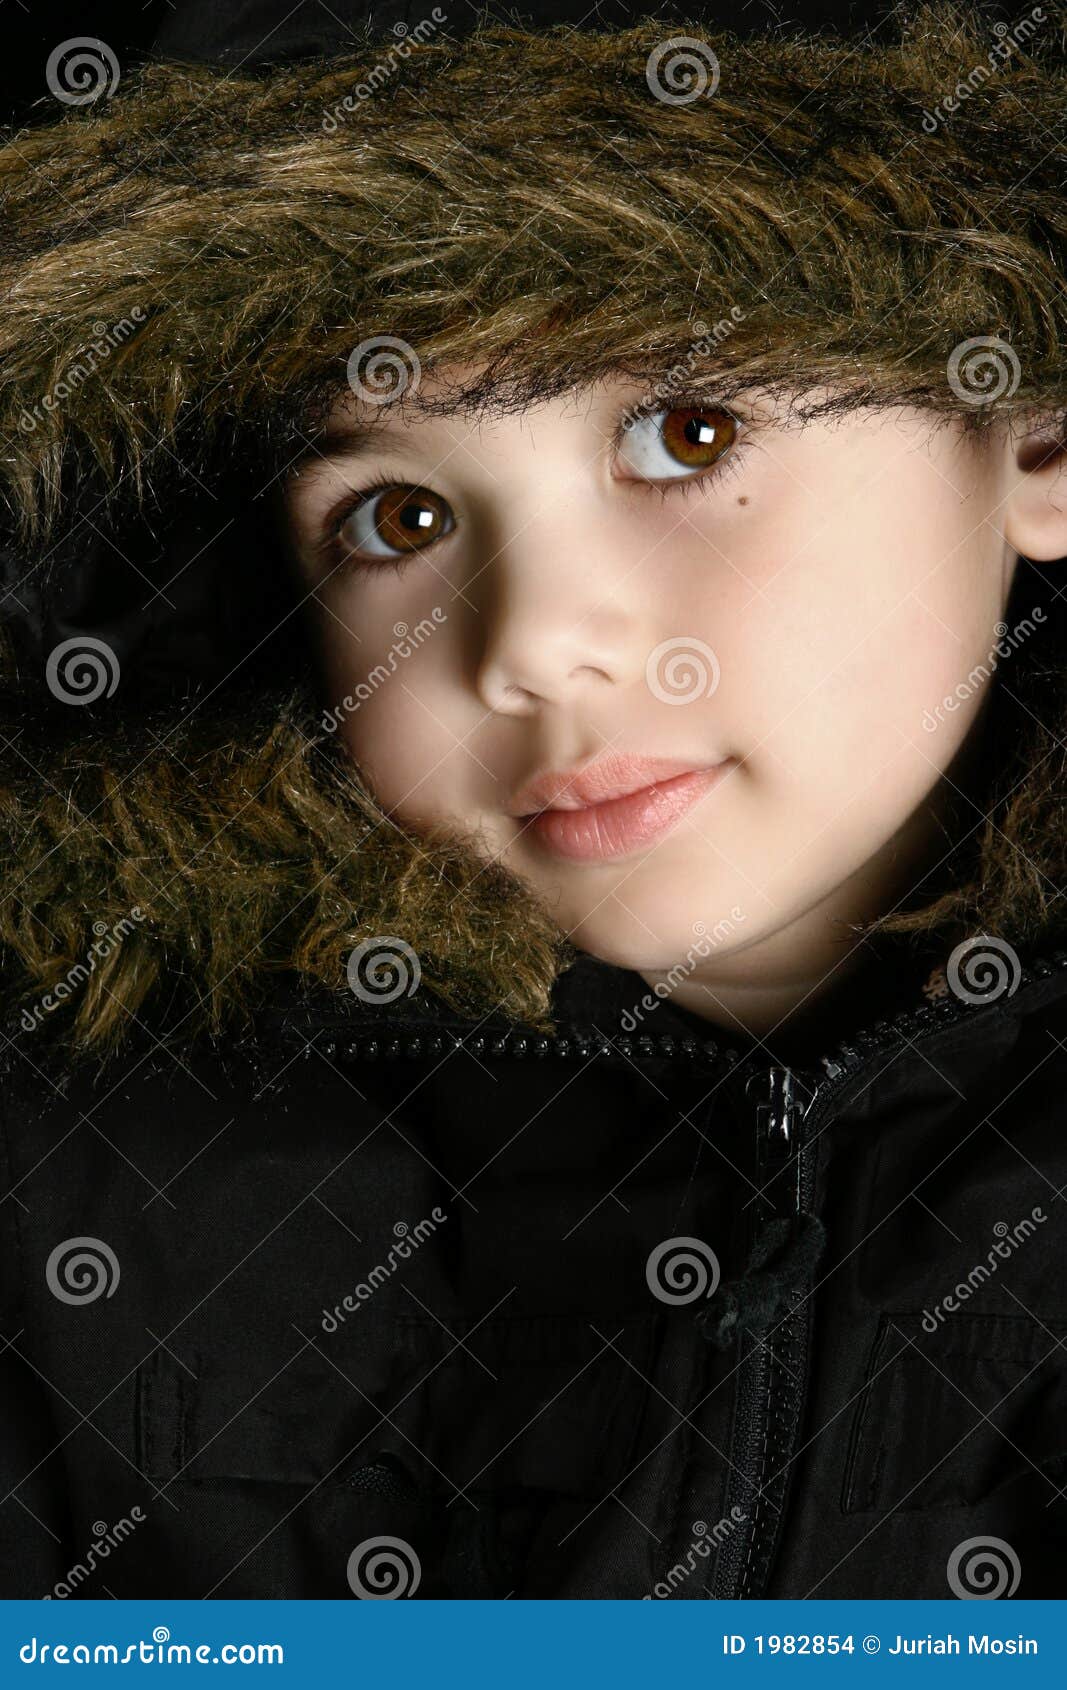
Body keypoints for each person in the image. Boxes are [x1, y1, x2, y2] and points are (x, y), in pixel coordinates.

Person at [0, 0, 1065, 1600]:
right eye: (399, 513)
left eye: (685, 431)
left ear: (1034, 435)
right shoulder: (87, 1188)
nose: (535, 646)